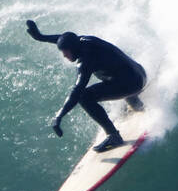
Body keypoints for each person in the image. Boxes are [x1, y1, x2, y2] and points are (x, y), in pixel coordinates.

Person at [26, 20, 147, 152]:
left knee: (84, 97)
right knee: (112, 73)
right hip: (139, 74)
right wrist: (40, 37)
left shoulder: (85, 61)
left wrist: (59, 116)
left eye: (66, 52)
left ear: (73, 49)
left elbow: (77, 91)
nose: (64, 56)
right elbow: (63, 39)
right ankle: (134, 101)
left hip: (133, 84)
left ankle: (114, 136)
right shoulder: (84, 40)